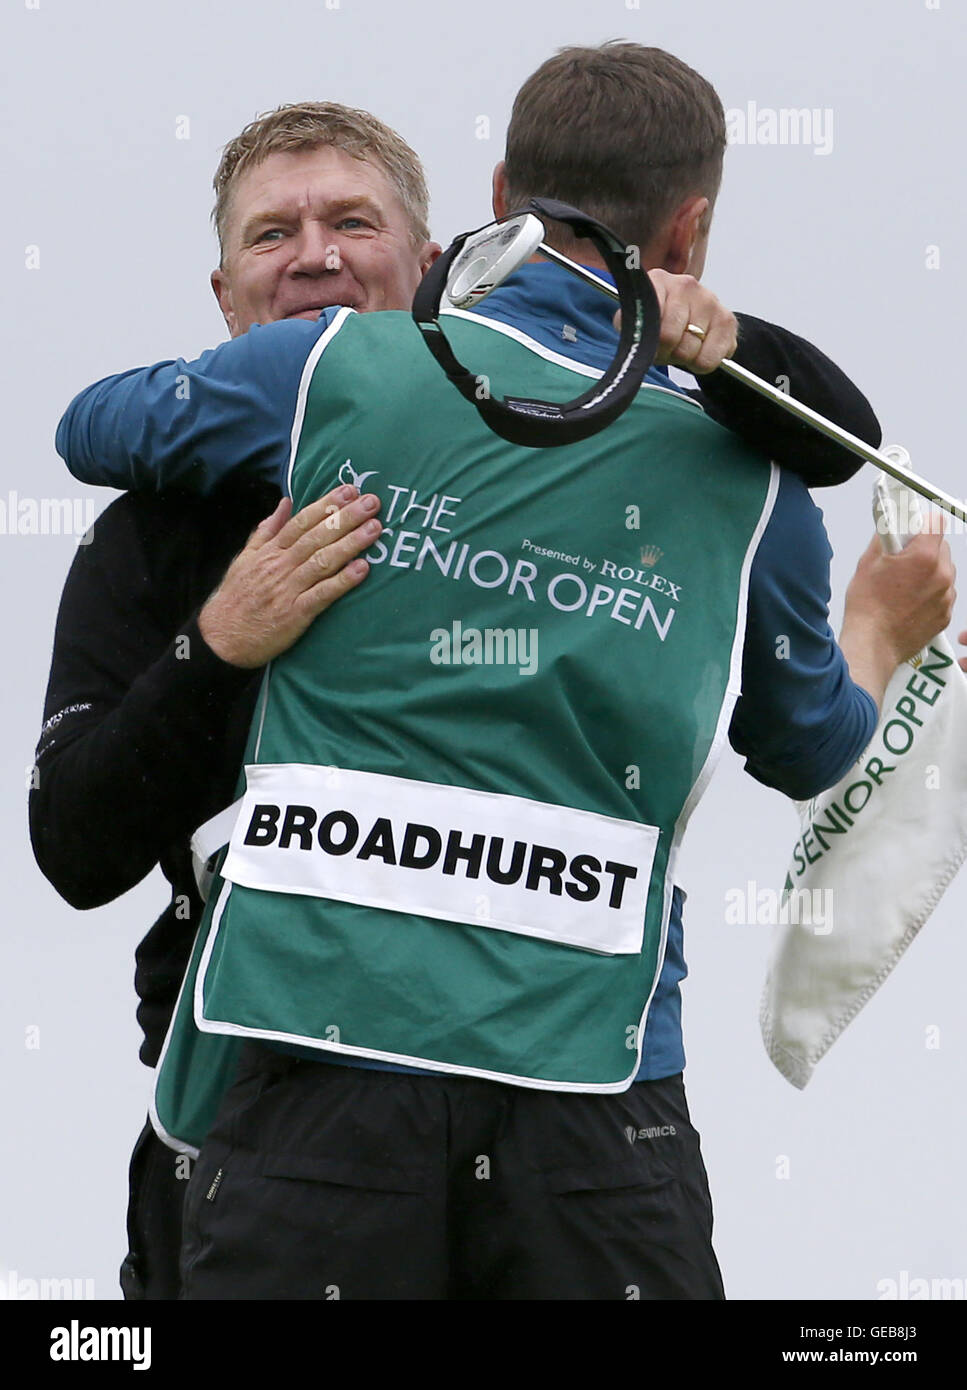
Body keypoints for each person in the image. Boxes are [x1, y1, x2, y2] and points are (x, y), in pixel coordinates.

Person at [42, 48, 931, 1299]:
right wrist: (883, 639)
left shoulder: (317, 373)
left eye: (353, 224)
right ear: (693, 225)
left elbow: (87, 421)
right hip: (595, 1127)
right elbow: (809, 749)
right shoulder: (750, 479)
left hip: (311, 1104)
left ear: (488, 202)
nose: (316, 258)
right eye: (275, 233)